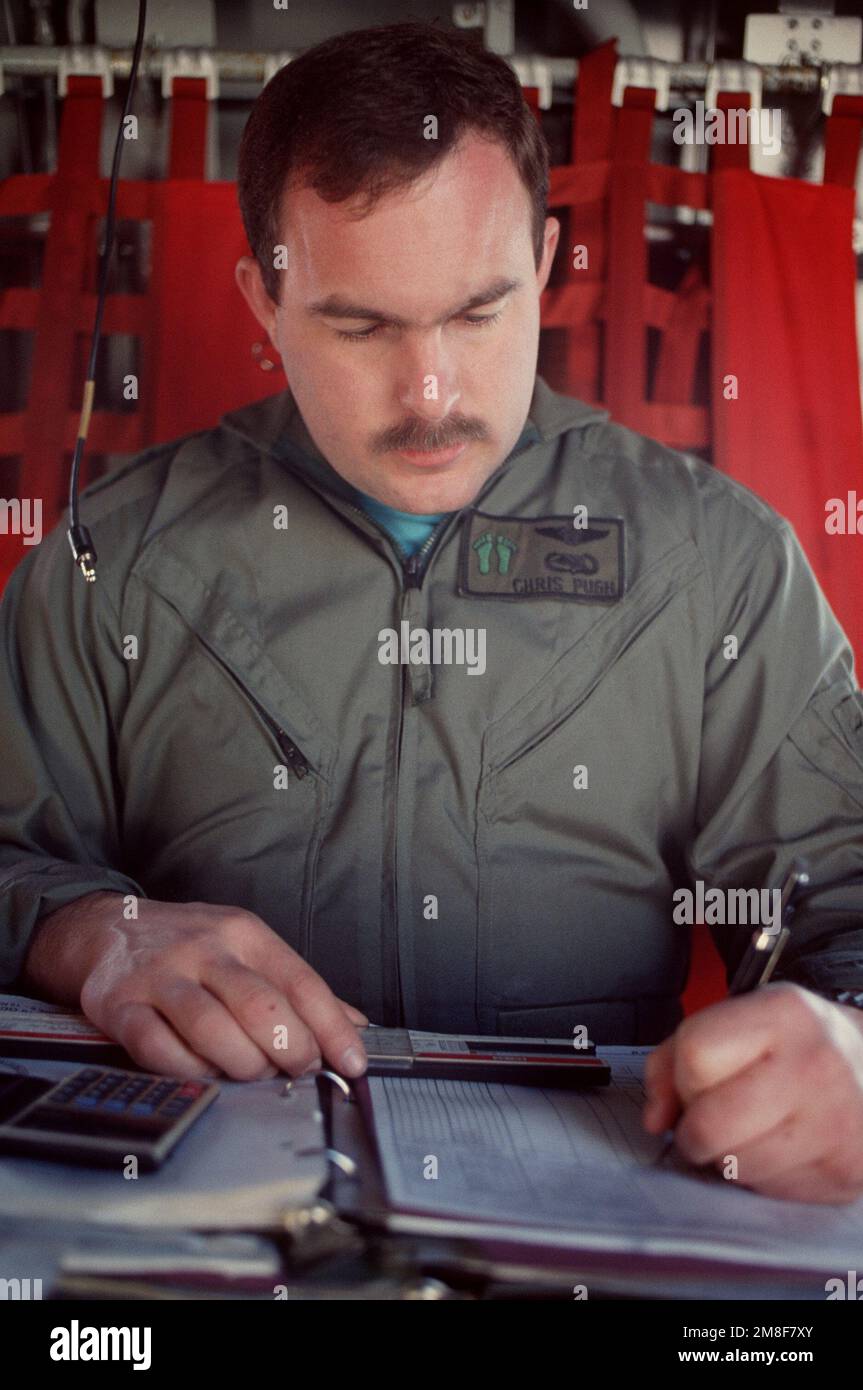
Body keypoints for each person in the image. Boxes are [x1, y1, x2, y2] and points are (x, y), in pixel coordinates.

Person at [1, 22, 862, 1204]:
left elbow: (845, 902)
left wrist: (851, 1042)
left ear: (549, 262)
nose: (431, 395)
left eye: (477, 311)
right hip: (198, 1231)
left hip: (607, 1217)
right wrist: (82, 929)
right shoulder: (116, 562)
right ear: (263, 295)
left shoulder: (719, 564)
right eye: (361, 327)